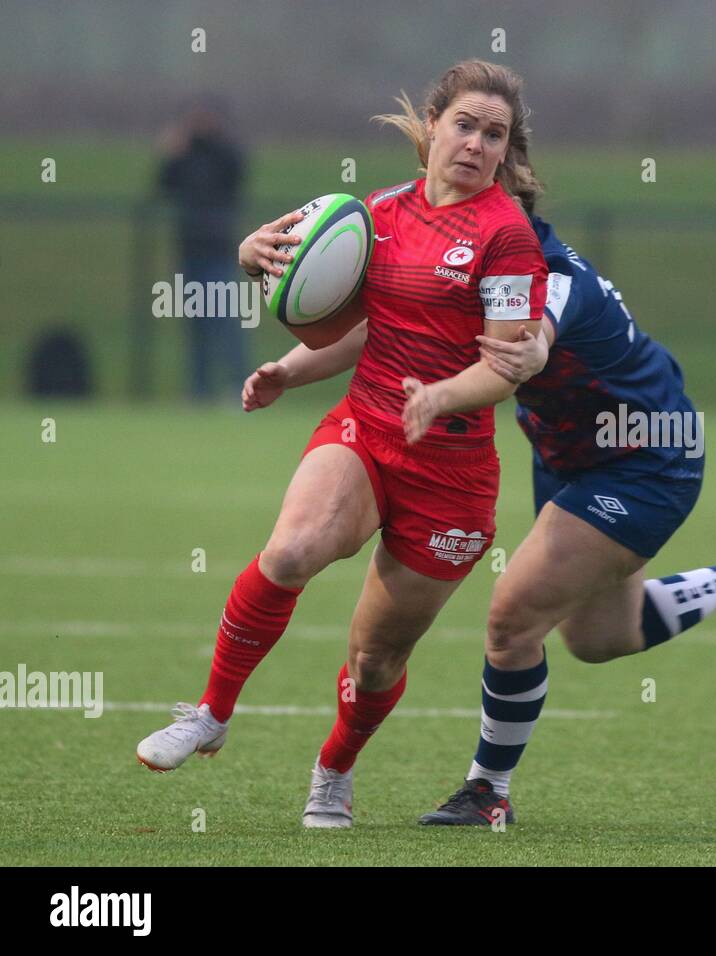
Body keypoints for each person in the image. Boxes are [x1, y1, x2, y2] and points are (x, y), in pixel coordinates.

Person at [135, 60, 550, 831]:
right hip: (366, 429)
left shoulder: (508, 238)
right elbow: (344, 314)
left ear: (504, 151)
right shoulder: (375, 213)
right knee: (292, 551)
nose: (476, 144)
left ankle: (334, 769)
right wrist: (262, 287)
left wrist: (440, 396)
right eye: (465, 125)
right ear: (432, 125)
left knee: (374, 660)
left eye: (494, 135)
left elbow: (503, 366)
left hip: (453, 473)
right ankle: (211, 711)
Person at [416, 200, 716, 826]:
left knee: (512, 623)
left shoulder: (553, 276)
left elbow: (529, 346)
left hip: (647, 456)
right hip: (570, 454)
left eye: (492, 143)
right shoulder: (450, 248)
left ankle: (487, 794)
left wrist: (494, 371)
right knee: (598, 639)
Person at [157, 96, 248, 403]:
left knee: (226, 321)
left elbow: (238, 172)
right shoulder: (184, 156)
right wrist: (171, 153)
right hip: (190, 251)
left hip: (220, 251)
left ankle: (240, 386)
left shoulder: (224, 154)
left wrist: (214, 139)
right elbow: (162, 186)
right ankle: (199, 389)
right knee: (196, 327)